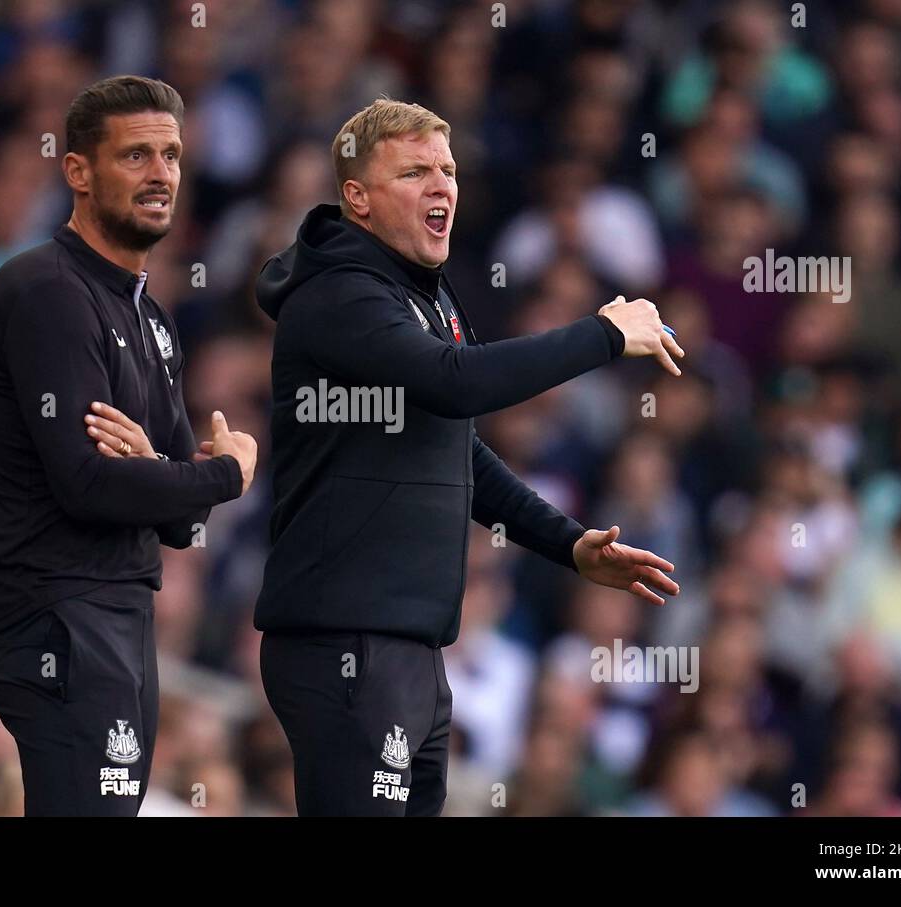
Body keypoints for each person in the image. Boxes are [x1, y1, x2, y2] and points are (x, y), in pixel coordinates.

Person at [252, 99, 681, 816]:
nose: (442, 186)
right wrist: (603, 334)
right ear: (356, 197)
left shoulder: (429, 298)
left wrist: (570, 544)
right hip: (347, 645)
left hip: (415, 650)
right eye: (415, 171)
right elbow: (458, 385)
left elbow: (461, 451)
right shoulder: (338, 297)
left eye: (447, 171)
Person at [0, 75, 257, 816]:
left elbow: (178, 521)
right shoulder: (48, 293)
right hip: (52, 614)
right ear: (79, 172)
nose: (161, 175)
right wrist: (223, 474)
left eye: (172, 156)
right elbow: (89, 484)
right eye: (136, 157)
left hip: (118, 619)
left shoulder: (151, 319)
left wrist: (162, 474)